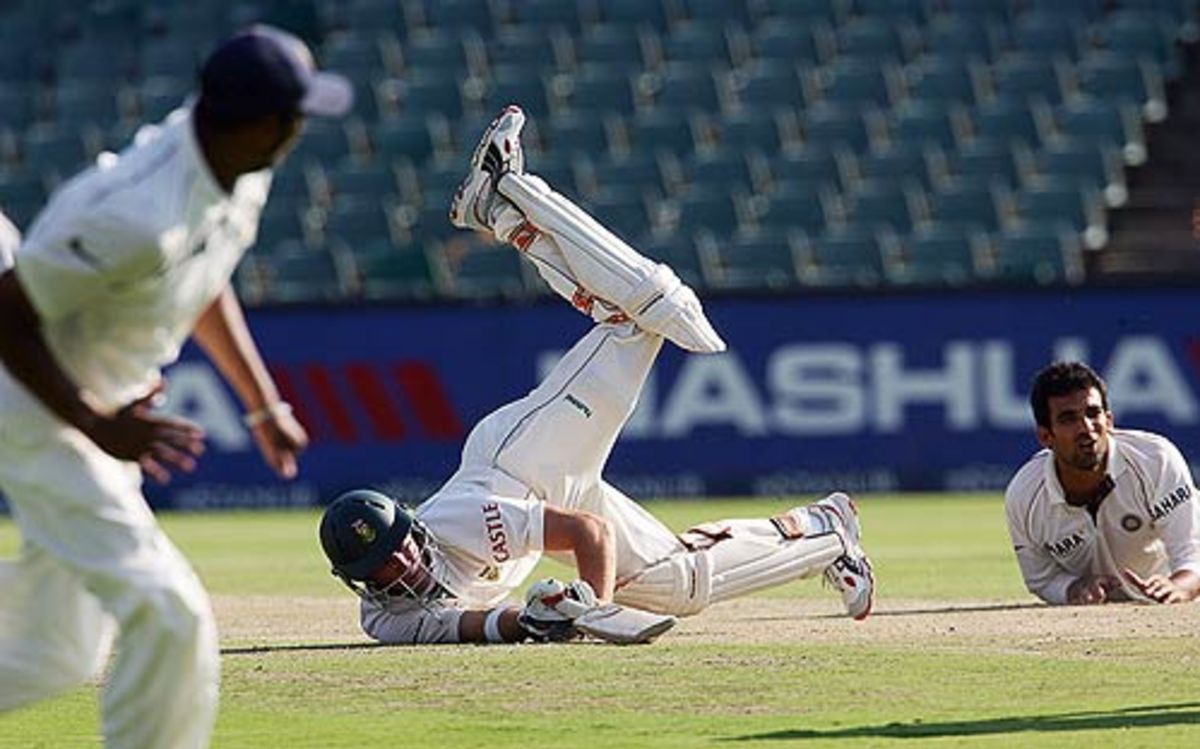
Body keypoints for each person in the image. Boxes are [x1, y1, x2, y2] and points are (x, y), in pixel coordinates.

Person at [318, 105, 875, 645]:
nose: (404, 565)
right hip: (554, 495)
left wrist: (593, 606)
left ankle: (508, 202)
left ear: (412, 527)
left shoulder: (460, 524)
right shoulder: (385, 621)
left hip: (523, 462)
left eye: (401, 548)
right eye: (384, 567)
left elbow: (589, 533)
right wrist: (541, 620)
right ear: (360, 582)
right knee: (679, 586)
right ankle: (826, 531)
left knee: (647, 316)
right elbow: (481, 626)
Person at [0, 26, 350, 748]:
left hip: (96, 407)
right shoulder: (132, 216)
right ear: (257, 124)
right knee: (171, 615)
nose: (299, 129)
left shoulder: (240, 171)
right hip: (36, 414)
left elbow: (204, 275)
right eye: (293, 115)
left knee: (56, 651)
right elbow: (6, 320)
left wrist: (262, 403)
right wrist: (98, 424)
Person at [1005, 361, 1200, 606]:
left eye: (1092, 413)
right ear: (1045, 436)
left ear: (1109, 421)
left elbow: (1192, 550)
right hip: (1082, 620)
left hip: (1170, 603)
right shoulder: (1025, 495)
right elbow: (1041, 579)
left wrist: (1179, 586)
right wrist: (1072, 588)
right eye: (1068, 419)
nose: (1086, 428)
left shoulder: (1155, 459)